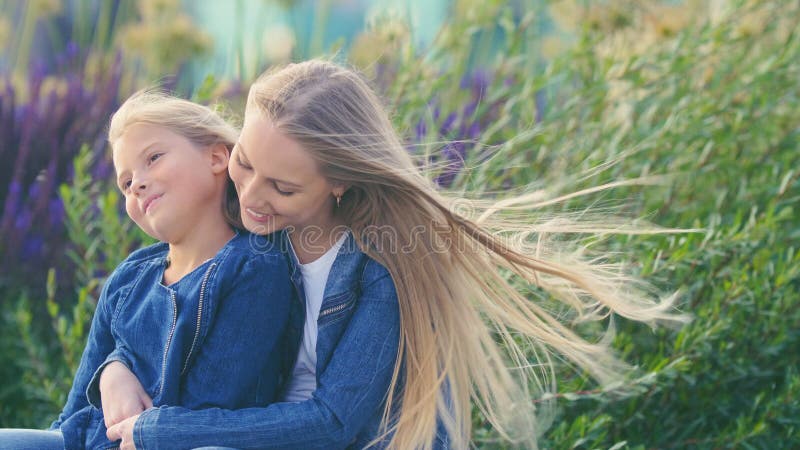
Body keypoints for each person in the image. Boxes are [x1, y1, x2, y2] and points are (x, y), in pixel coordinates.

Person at [100, 59, 687, 450]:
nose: (251, 196)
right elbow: (161, 312)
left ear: (339, 183)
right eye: (245, 163)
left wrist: (163, 430)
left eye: (282, 187)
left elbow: (332, 423)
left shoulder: (383, 269)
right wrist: (115, 367)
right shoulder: (250, 231)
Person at [0, 91, 293, 450]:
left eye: (153, 158)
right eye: (125, 183)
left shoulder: (254, 269)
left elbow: (203, 415)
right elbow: (71, 419)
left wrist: (115, 368)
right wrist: (109, 372)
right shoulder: (128, 278)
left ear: (216, 158)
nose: (136, 184)